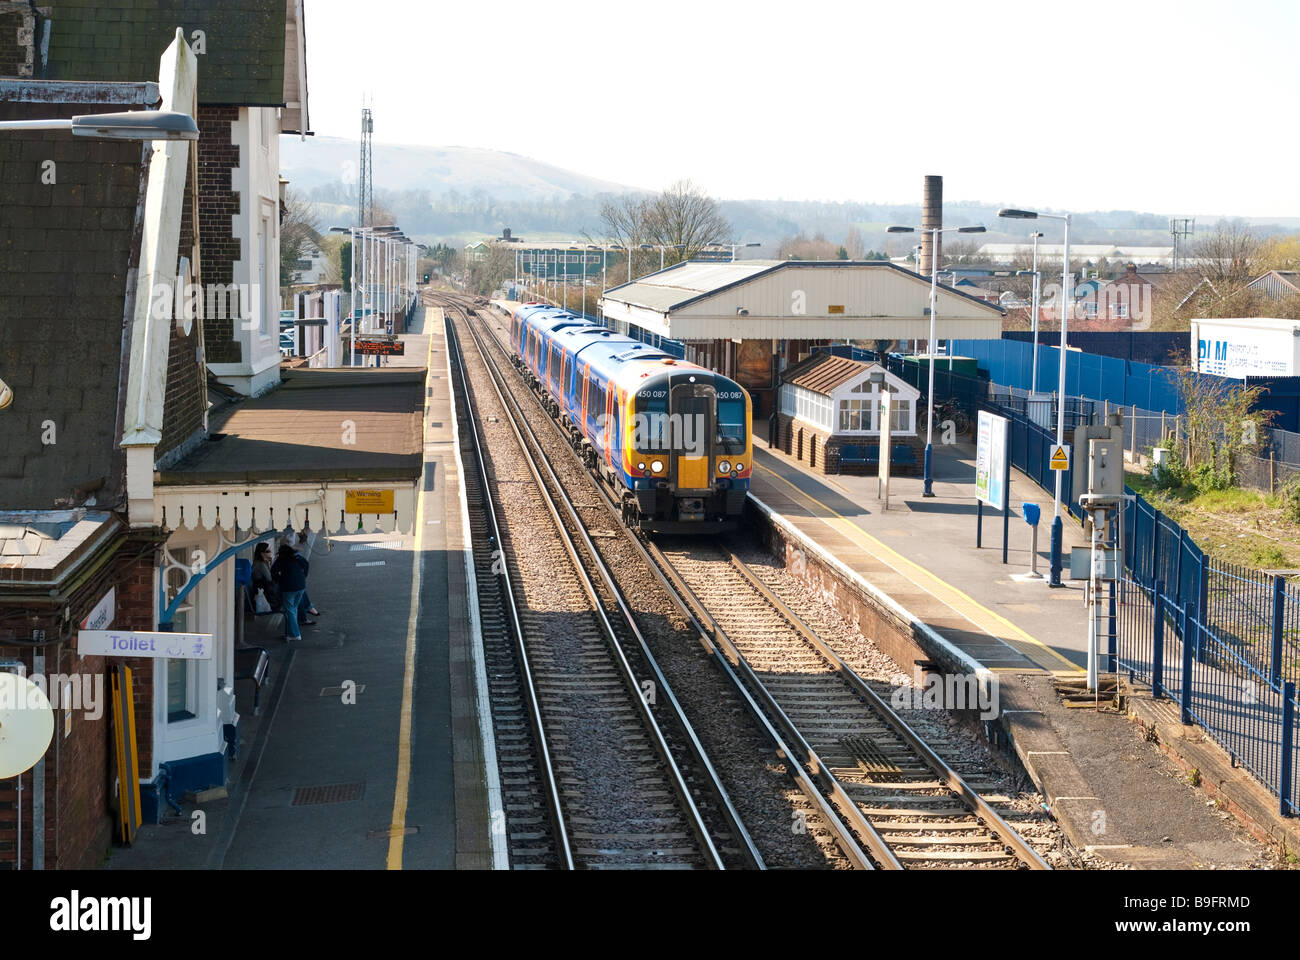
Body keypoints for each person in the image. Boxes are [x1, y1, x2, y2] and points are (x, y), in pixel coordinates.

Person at [271, 543, 310, 642]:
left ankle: (294, 634)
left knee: (290, 611)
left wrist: (279, 580)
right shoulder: (297, 558)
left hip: (288, 588)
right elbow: (306, 565)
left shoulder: (281, 560)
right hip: (301, 586)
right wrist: (303, 576)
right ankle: (290, 633)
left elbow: (273, 572)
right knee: (293, 609)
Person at [250, 542, 279, 611]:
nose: (270, 553)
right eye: (268, 551)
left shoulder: (258, 562)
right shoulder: (261, 564)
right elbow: (269, 578)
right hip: (264, 591)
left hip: (262, 589)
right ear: (262, 553)